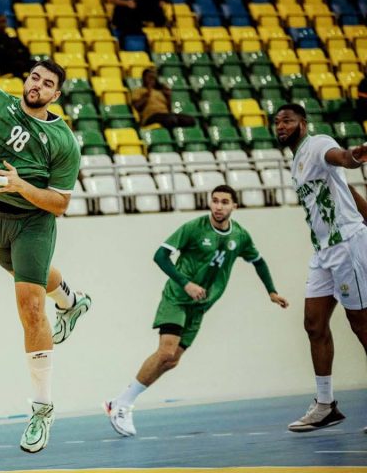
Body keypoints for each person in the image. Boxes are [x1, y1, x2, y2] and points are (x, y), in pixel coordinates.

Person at [0, 6, 93, 453]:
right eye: (34, 77)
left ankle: (41, 409)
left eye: (47, 83)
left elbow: (60, 204)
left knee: (29, 307)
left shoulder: (63, 142)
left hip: (32, 220)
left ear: (56, 94)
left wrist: (23, 186)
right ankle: (72, 301)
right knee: (32, 280)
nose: (36, 84)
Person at [104, 185, 288, 437]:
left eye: (224, 202)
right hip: (177, 298)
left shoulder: (240, 236)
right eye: (215, 201)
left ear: (234, 206)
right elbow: (160, 256)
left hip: (201, 306)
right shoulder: (194, 228)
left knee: (172, 360)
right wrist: (186, 284)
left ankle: (117, 402)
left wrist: (271, 291)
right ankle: (123, 405)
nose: (218, 206)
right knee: (166, 351)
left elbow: (258, 261)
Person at [273, 103, 367, 433]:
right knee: (314, 324)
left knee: (361, 325)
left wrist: (353, 157)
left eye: (287, 120)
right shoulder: (297, 161)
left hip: (346, 244)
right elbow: (345, 187)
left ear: (303, 123)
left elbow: (340, 159)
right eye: (276, 122)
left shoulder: (317, 144)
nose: (280, 125)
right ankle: (326, 405)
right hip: (323, 251)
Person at [132, 68, 196, 130]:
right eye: (149, 77)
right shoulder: (138, 91)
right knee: (171, 120)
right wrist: (146, 96)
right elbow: (136, 106)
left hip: (165, 115)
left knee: (190, 120)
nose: (152, 80)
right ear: (144, 78)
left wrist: (168, 97)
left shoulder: (160, 91)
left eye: (153, 78)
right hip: (150, 116)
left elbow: (169, 109)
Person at [0, 14, 34, 78]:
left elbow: (26, 51)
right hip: (6, 66)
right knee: (18, 65)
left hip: (19, 63)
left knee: (36, 63)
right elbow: (0, 57)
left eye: (3, 22)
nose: (2, 24)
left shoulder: (13, 39)